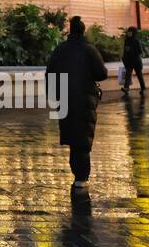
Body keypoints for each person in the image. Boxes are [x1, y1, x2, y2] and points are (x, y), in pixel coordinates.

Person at [45, 16, 108, 194]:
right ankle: (82, 177)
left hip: (64, 98)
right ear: (83, 31)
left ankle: (78, 175)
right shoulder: (89, 50)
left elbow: (49, 73)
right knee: (83, 139)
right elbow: (101, 73)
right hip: (85, 98)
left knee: (73, 138)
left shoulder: (59, 50)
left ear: (70, 31)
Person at [119, 27, 145, 95]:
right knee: (128, 75)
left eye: (130, 32)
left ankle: (143, 88)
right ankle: (126, 88)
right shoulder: (126, 40)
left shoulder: (136, 41)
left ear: (133, 33)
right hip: (129, 61)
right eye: (128, 32)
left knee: (139, 75)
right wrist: (124, 58)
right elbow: (125, 51)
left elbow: (140, 51)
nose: (129, 33)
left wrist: (131, 51)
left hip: (136, 61)